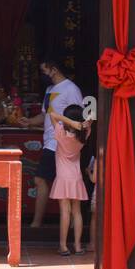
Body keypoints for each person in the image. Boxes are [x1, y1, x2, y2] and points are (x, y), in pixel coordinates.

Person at [14, 58, 84, 228]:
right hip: (50, 142)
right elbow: (46, 115)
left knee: (41, 180)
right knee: (58, 184)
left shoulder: (71, 89)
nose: (43, 74)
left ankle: (37, 223)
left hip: (60, 144)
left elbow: (77, 118)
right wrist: (29, 121)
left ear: (54, 69)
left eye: (44, 70)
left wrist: (70, 141)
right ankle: (68, 226)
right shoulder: (49, 89)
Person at [48, 104, 91, 255]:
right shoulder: (84, 134)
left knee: (65, 212)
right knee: (77, 212)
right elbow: (89, 122)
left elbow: (53, 114)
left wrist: (70, 122)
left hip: (62, 177)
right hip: (76, 177)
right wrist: (79, 123)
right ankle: (78, 246)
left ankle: (63, 246)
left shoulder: (61, 132)